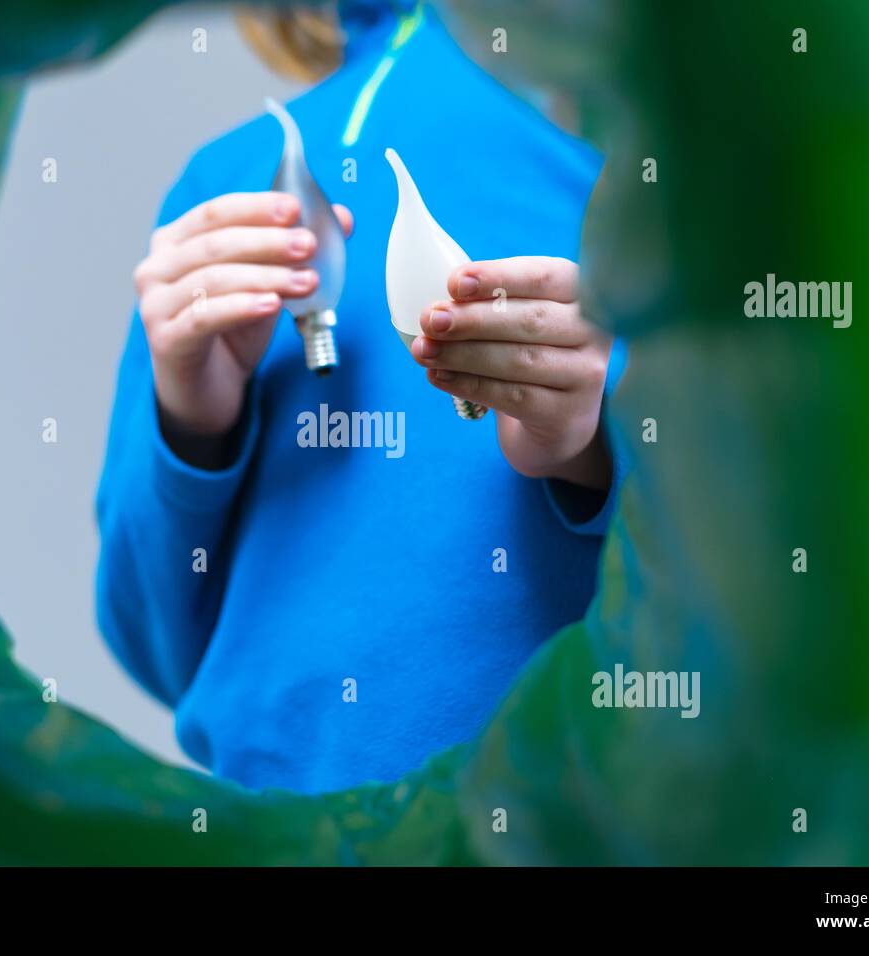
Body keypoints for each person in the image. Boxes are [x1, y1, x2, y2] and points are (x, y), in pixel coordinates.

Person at [96, 0, 626, 793]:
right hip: (275, 834)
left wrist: (591, 446)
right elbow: (157, 643)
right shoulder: (218, 198)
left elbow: (754, 575)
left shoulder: (640, 157)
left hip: (560, 819)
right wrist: (192, 427)